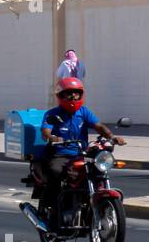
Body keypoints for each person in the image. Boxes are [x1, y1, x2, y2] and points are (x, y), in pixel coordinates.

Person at [38, 78, 125, 221]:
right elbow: (45, 131)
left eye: (76, 94)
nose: (73, 97)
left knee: (97, 170)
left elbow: (99, 126)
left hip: (81, 154)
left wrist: (112, 137)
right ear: (61, 95)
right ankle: (51, 208)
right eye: (69, 94)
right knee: (56, 172)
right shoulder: (52, 114)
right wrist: (54, 138)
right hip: (61, 154)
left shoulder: (83, 112)